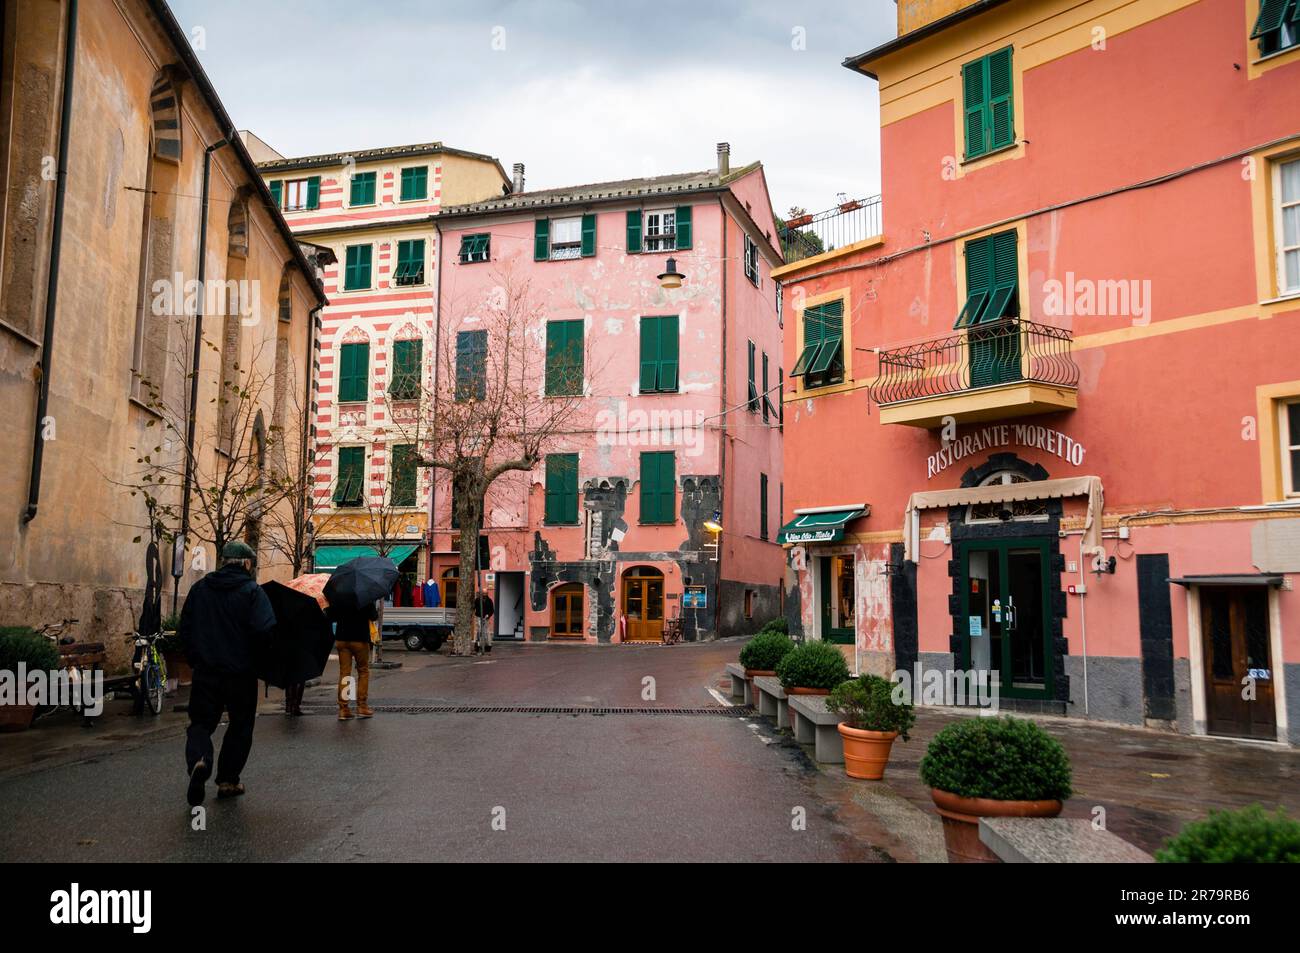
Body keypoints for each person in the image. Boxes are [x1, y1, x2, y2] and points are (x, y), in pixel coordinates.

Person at [180, 540, 276, 807]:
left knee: (200, 723)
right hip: (240, 674)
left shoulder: (200, 590)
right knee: (240, 725)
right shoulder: (252, 592)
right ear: (246, 564)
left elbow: (185, 629)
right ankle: (228, 780)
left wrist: (195, 660)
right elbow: (264, 631)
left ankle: (200, 759)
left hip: (206, 672)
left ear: (223, 561)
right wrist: (259, 660)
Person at [330, 600, 376, 721]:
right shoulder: (364, 595)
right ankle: (362, 707)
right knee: (363, 671)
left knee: (345, 672)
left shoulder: (339, 594)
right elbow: (373, 616)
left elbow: (331, 615)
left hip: (342, 638)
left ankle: (344, 709)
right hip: (359, 638)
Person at [472, 590, 495, 655]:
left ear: (487, 594)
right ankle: (478, 645)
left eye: (486, 593)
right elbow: (474, 608)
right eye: (483, 593)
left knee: (486, 632)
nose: (484, 594)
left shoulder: (489, 601)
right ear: (481, 594)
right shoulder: (477, 600)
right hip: (478, 616)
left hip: (486, 618)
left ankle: (488, 645)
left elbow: (492, 610)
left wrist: (488, 615)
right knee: (479, 631)